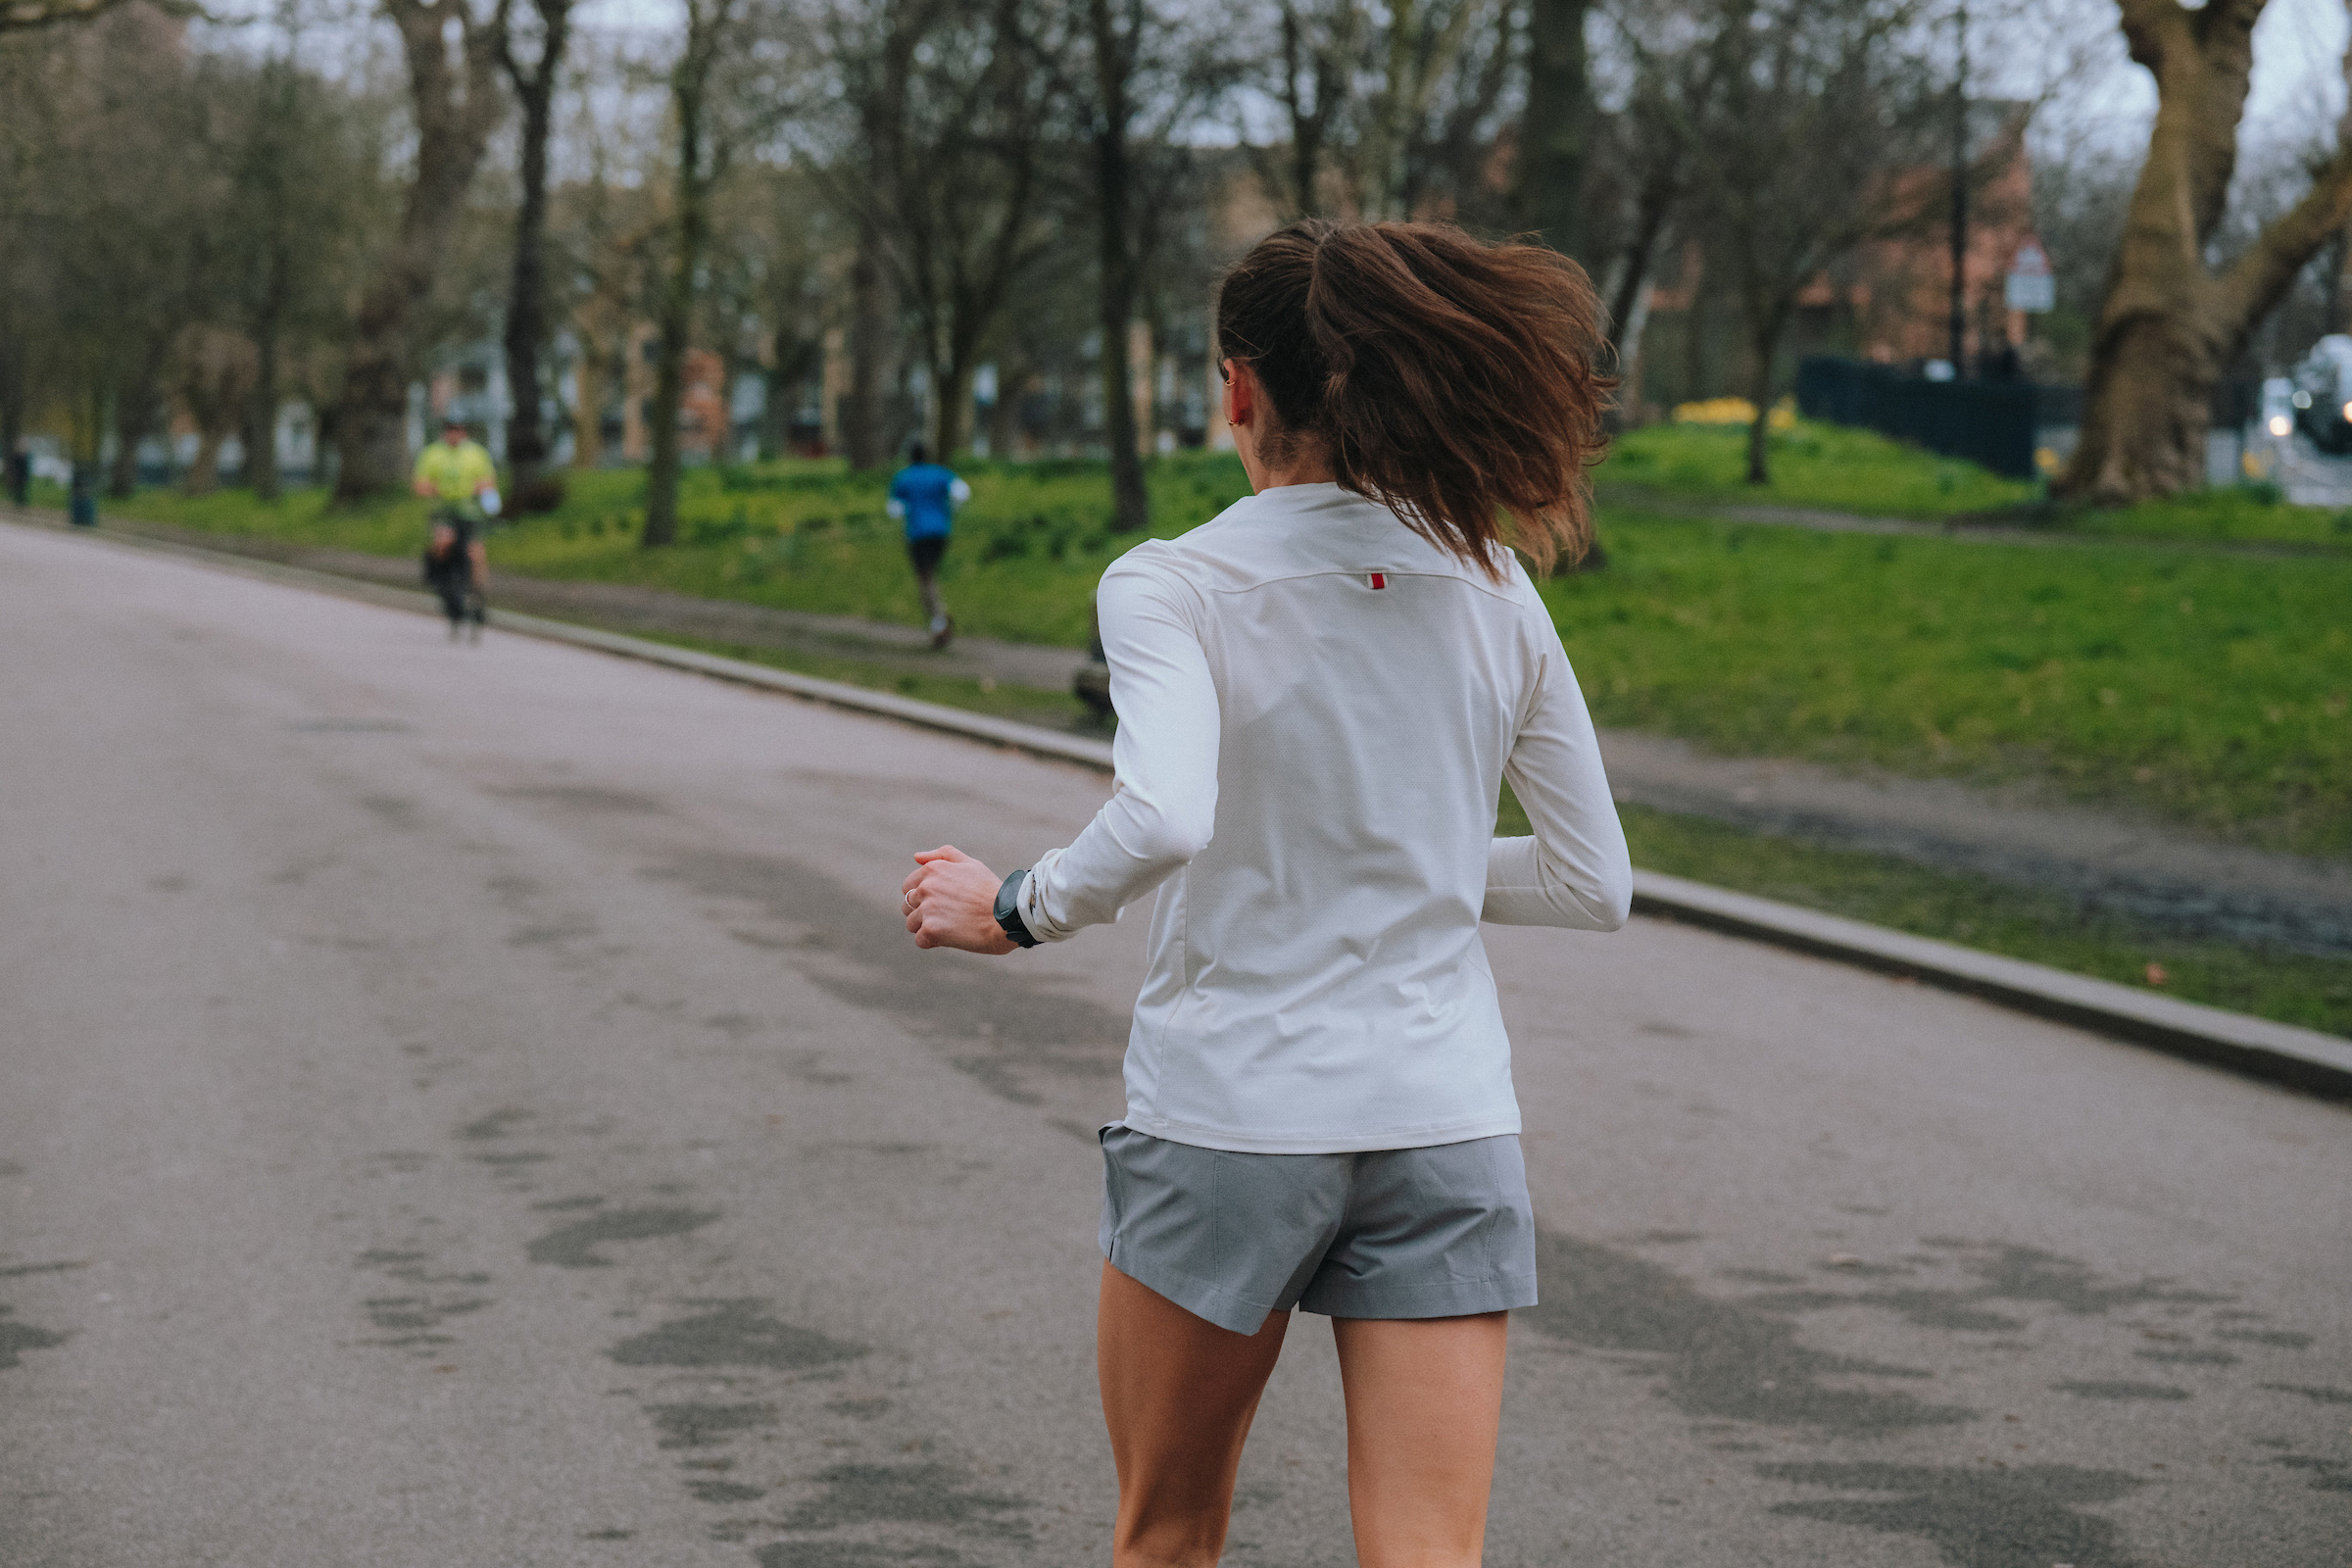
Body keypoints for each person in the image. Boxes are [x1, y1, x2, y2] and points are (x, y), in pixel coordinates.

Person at [898, 219, 1630, 1566]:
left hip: (1235, 1118)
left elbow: (1170, 812)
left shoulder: (1173, 582)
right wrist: (1388, 856)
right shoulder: (1494, 584)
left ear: (1240, 390)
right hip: (1445, 1123)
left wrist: (1016, 907)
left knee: (1168, 1537)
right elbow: (1596, 881)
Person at [412, 416, 499, 640]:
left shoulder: (476, 454)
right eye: (450, 430)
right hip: (444, 510)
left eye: (458, 429)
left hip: (469, 511)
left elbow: (489, 482)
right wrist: (434, 489)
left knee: (476, 553)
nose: (454, 434)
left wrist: (485, 495)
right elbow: (420, 485)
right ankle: (441, 584)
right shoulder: (433, 454)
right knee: (442, 542)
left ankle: (477, 595)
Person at [886, 440, 970, 649]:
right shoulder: (940, 473)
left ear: (910, 456)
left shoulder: (903, 478)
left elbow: (894, 510)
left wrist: (911, 509)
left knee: (925, 578)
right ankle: (938, 620)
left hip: (918, 533)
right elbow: (962, 492)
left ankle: (939, 622)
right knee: (930, 575)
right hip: (941, 532)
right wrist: (950, 508)